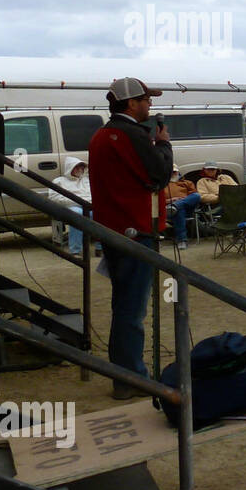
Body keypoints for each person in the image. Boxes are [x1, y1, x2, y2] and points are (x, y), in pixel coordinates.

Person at [87, 77, 173, 398]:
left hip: (114, 228)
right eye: (145, 100)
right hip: (135, 230)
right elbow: (159, 174)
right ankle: (131, 377)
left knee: (123, 304)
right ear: (130, 103)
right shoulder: (132, 134)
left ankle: (123, 373)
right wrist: (164, 144)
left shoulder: (101, 135)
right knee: (132, 309)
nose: (150, 105)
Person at [48, 157, 92, 255]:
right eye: (76, 167)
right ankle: (75, 250)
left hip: (88, 206)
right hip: (70, 207)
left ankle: (100, 248)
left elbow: (93, 195)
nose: (80, 170)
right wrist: (79, 201)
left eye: (81, 167)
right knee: (77, 214)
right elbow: (54, 198)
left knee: (99, 214)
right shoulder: (59, 181)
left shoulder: (86, 181)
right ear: (69, 168)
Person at [164, 167, 200, 250]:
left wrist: (180, 202)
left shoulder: (187, 182)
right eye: (171, 172)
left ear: (178, 172)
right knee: (179, 211)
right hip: (169, 210)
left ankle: (175, 206)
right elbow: (158, 200)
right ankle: (182, 240)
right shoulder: (163, 185)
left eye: (175, 172)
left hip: (188, 207)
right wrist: (170, 200)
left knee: (196, 195)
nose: (173, 174)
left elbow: (193, 196)